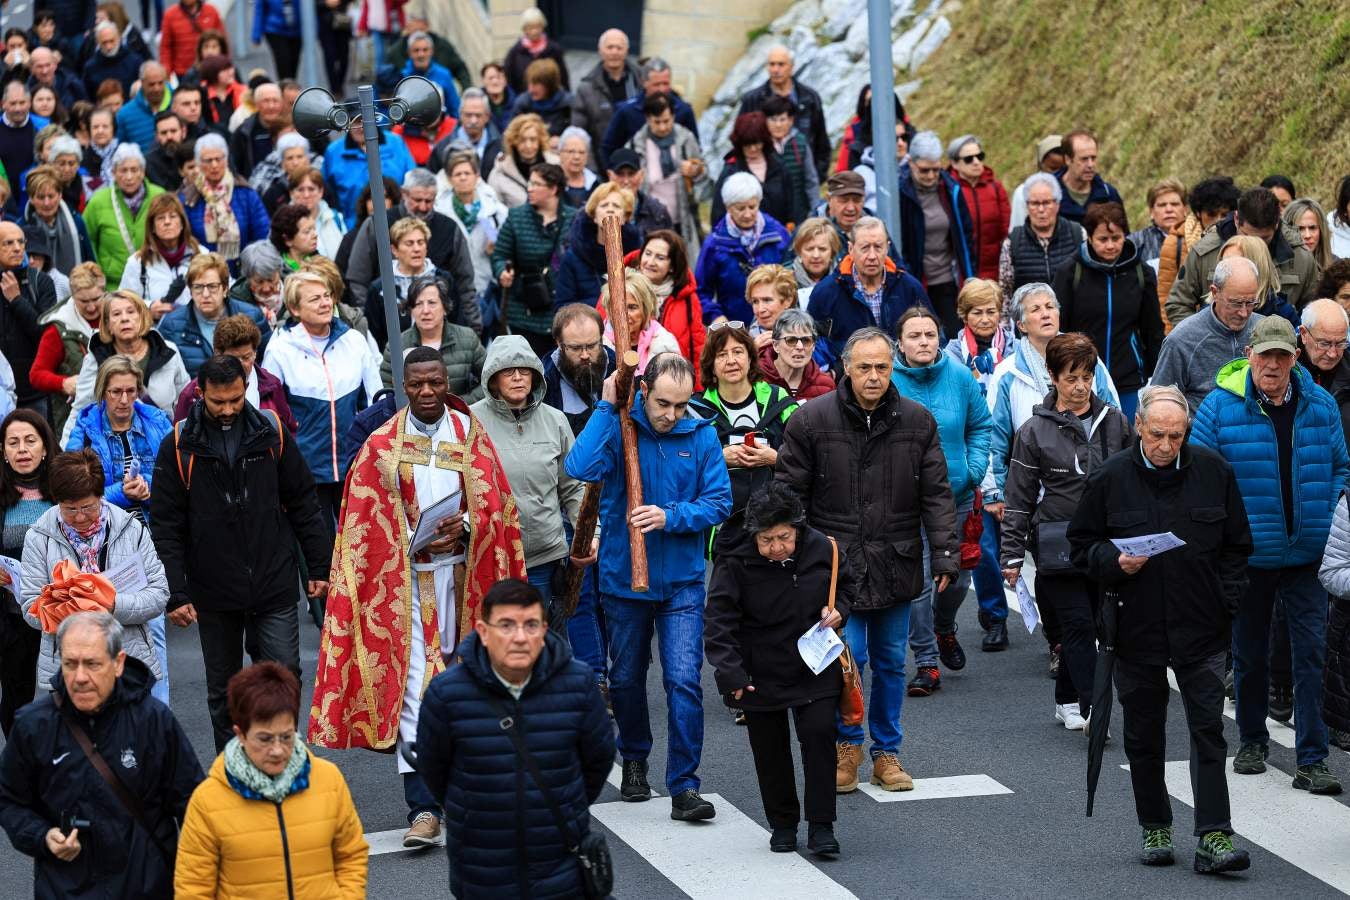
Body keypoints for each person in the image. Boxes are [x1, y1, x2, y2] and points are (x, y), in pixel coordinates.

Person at [310, 346, 527, 847]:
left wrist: (467, 527)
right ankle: (423, 808)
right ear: (403, 385)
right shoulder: (383, 445)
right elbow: (362, 523)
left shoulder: (469, 435)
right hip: (406, 587)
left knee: (472, 688)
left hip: (465, 581)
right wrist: (413, 538)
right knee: (414, 694)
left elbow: (497, 505)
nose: (427, 392)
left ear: (446, 379)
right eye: (417, 384)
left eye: (435, 382)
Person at [1069, 384, 1254, 874]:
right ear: (1139, 427)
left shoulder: (1214, 471)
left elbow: (1238, 547)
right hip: (1137, 626)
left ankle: (1214, 835)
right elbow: (1080, 547)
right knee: (1144, 733)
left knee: (1208, 732)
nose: (1167, 446)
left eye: (1176, 436)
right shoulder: (1109, 479)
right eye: (1157, 435)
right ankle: (1155, 824)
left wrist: (1226, 602)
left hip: (1202, 627)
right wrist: (1113, 560)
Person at [776, 327, 958, 793]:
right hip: (836, 569)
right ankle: (847, 745)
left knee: (893, 662)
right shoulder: (811, 421)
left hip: (896, 560)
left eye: (882, 367)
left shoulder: (917, 421)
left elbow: (937, 494)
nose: (874, 376)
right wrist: (795, 560)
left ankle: (887, 753)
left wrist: (944, 555)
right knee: (847, 659)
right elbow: (789, 496)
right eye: (865, 367)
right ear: (846, 368)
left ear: (892, 367)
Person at [565, 352, 731, 818]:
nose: (671, 414)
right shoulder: (621, 426)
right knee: (625, 678)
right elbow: (579, 467)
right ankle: (634, 757)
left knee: (683, 681)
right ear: (642, 391)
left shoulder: (700, 433)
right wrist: (604, 405)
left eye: (680, 405)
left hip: (682, 582)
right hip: (623, 580)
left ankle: (684, 785)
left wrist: (669, 516)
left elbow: (719, 502)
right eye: (663, 403)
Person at [1190, 314, 1347, 793]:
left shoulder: (1320, 404)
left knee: (1312, 656)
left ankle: (1312, 758)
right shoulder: (1220, 408)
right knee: (1251, 654)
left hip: (1308, 557)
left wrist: (1328, 510)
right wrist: (1227, 536)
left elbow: (1341, 467)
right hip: (1250, 557)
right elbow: (1201, 479)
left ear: (1294, 356)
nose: (1273, 365)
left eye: (1282, 356)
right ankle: (1253, 740)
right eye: (1265, 356)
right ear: (1249, 356)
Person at [150, 353, 330, 751]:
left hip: (274, 581)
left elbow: (303, 501)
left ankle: (282, 758)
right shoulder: (178, 445)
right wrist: (176, 592)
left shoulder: (272, 431)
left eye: (236, 398)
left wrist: (318, 565)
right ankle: (230, 774)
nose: (229, 409)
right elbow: (166, 525)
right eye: (219, 402)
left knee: (285, 677)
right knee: (223, 692)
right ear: (200, 394)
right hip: (214, 590)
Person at [415, 578, 613, 895]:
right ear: (483, 631)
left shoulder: (577, 685)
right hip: (482, 868)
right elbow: (434, 769)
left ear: (545, 629)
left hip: (560, 864)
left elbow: (598, 760)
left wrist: (559, 809)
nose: (520, 638)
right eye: (506, 626)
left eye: (531, 625)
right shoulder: (447, 694)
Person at [0, 611, 204, 898]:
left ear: (118, 663)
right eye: (70, 664)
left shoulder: (153, 720)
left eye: (92, 664)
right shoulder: (34, 726)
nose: (80, 677)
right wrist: (41, 836)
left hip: (146, 887)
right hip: (64, 889)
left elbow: (193, 805)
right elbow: (10, 800)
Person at [705, 482, 851, 856]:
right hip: (758, 668)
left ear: (797, 528)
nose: (775, 547)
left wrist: (840, 612)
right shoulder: (734, 559)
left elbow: (847, 586)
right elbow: (719, 621)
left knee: (819, 738)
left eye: (783, 537)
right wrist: (732, 675)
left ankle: (822, 826)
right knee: (769, 751)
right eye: (766, 539)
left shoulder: (823, 547)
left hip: (814, 663)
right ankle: (783, 824)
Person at [999, 332, 1131, 728]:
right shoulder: (1033, 432)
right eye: (1071, 377)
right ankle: (1096, 707)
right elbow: (1019, 496)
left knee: (1096, 622)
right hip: (1056, 544)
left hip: (1105, 543)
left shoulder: (1115, 423)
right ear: (1052, 376)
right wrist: (1011, 555)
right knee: (1078, 625)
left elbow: (1131, 482)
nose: (1080, 387)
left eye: (1087, 377)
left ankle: (1067, 699)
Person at [982, 284, 1119, 651]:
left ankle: (1079, 647)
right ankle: (1061, 643)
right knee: (1052, 572)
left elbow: (1113, 419)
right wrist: (995, 490)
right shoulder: (1008, 372)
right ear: (1021, 323)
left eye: (1051, 306)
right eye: (1035, 308)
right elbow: (995, 434)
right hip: (1038, 491)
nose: (1045, 313)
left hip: (1091, 495)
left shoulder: (1092, 363)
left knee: (1090, 585)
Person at [174, 661, 368, 897]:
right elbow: (193, 888)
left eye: (286, 737)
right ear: (240, 734)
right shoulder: (208, 801)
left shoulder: (328, 780)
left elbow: (351, 855)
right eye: (264, 739)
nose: (277, 750)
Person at [891, 307, 992, 696]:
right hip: (906, 501)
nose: (923, 342)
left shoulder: (960, 375)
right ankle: (927, 661)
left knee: (958, 578)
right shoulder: (889, 379)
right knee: (917, 583)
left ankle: (944, 626)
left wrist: (974, 468)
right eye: (914, 336)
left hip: (957, 496)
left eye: (929, 335)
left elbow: (981, 425)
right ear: (900, 341)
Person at [21, 447, 170, 697]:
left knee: (129, 735)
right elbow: (29, 606)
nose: (80, 517)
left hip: (128, 661)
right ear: (57, 501)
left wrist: (111, 604)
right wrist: (75, 606)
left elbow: (158, 595)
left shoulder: (131, 529)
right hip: (67, 668)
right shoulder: (39, 537)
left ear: (101, 496)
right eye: (70, 509)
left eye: (88, 507)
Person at [471, 335, 590, 626]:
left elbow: (573, 485)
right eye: (508, 371)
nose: (517, 377)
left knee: (542, 642)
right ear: (493, 377)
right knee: (498, 639)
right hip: (491, 556)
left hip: (544, 556)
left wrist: (589, 534)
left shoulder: (555, 420)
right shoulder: (470, 421)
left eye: (525, 370)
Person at [261, 271, 381, 524]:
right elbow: (272, 412)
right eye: (315, 299)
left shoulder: (354, 340)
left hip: (354, 464)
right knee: (321, 551)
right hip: (307, 470)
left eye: (327, 296)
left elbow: (375, 399)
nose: (326, 303)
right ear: (294, 308)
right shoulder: (280, 348)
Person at [691, 322, 797, 551]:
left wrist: (774, 458)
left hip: (774, 532)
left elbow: (807, 457)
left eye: (738, 352)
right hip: (718, 537)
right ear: (710, 364)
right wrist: (719, 458)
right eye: (721, 355)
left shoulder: (780, 401)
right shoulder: (694, 410)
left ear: (750, 358)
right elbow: (678, 466)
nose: (731, 361)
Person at [1054, 201, 1163, 419]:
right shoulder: (1069, 272)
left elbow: (1153, 329)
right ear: (1090, 239)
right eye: (1103, 239)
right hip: (1080, 378)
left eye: (1117, 238)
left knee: (1126, 440)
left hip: (1129, 379)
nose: (1111, 245)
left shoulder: (1142, 273)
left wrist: (1155, 375)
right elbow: (1059, 327)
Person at [346, 168, 479, 337]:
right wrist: (369, 322)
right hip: (386, 330)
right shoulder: (378, 223)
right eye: (417, 200)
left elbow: (465, 283)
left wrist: (474, 328)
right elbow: (358, 278)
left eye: (429, 201)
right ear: (404, 194)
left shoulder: (449, 228)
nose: (423, 207)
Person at [1167, 187, 1321, 326]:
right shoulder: (1205, 252)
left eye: (1263, 238)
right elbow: (1178, 304)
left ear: (1276, 224)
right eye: (1247, 235)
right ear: (1236, 220)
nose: (1254, 243)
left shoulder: (1301, 257)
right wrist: (1200, 339)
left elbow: (1314, 313)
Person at [806, 216, 931, 368]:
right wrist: (836, 371)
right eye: (865, 248)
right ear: (851, 249)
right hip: (847, 381)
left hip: (906, 377)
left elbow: (934, 337)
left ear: (887, 248)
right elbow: (811, 343)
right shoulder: (826, 292)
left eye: (878, 247)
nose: (872, 256)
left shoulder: (909, 287)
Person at [64, 353, 171, 528]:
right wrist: (122, 493)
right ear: (102, 392)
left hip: (158, 532)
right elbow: (74, 494)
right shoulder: (85, 430)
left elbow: (178, 483)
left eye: (130, 391)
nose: (124, 400)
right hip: (104, 533)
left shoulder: (159, 423)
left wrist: (147, 488)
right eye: (115, 392)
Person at [64, 290, 189, 441]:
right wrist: (65, 453)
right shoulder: (96, 358)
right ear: (107, 324)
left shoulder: (168, 351)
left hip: (162, 443)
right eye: (116, 314)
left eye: (131, 312)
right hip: (112, 446)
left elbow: (186, 402)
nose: (124, 319)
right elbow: (80, 409)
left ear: (142, 317)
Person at [0, 410, 56, 735]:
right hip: (10, 614)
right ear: (4, 452)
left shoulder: (61, 490)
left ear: (45, 447)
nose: (22, 449)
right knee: (16, 697)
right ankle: (20, 763)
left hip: (56, 608)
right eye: (13, 442)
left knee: (62, 693)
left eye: (30, 441)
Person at [1151, 257, 1265, 413]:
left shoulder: (1264, 332)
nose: (1244, 312)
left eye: (1251, 302)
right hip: (1199, 434)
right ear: (1215, 292)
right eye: (1236, 303)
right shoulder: (1182, 340)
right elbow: (1157, 403)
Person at [491, 162, 575, 356]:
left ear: (553, 189)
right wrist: (502, 271)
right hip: (524, 308)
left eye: (537, 184)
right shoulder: (516, 217)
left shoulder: (573, 219)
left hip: (561, 307)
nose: (530, 188)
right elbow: (500, 255)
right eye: (530, 182)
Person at [897, 131, 974, 336]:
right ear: (911, 163)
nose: (931, 176)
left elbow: (966, 235)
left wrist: (969, 276)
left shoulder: (950, 190)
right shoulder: (901, 194)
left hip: (948, 280)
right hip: (916, 280)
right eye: (924, 170)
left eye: (935, 169)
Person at [172, 313, 296, 431]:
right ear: (217, 354)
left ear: (255, 353)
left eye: (246, 357)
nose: (240, 365)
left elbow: (287, 430)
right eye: (233, 359)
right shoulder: (192, 394)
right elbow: (180, 439)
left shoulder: (271, 385)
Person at [157, 251, 270, 379]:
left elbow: (266, 367)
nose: (205, 294)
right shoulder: (171, 325)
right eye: (198, 287)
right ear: (190, 290)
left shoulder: (252, 316)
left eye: (212, 286)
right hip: (194, 396)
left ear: (225, 288)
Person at [697, 173, 790, 327]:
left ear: (759, 203)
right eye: (740, 208)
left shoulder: (778, 234)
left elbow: (791, 280)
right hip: (734, 327)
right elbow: (700, 292)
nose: (747, 214)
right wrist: (716, 317)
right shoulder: (715, 243)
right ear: (728, 207)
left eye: (752, 207)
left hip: (777, 325)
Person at [626, 91, 707, 255]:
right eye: (657, 122)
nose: (663, 127)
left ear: (673, 117)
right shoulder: (636, 144)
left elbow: (704, 172)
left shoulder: (686, 138)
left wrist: (695, 171)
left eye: (666, 121)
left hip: (682, 219)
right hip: (650, 221)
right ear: (648, 119)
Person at [381, 274, 485, 399]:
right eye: (418, 304)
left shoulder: (467, 338)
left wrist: (461, 405)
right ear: (411, 310)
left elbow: (489, 380)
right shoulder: (397, 344)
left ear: (445, 307)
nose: (425, 310)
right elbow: (386, 388)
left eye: (432, 303)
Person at [737, 45, 830, 183]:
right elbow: (740, 139)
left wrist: (817, 175)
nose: (775, 70)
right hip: (764, 179)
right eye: (771, 64)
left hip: (802, 178)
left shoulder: (809, 98)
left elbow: (821, 140)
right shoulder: (752, 100)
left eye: (781, 64)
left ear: (791, 67)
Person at [1157, 177, 1240, 329]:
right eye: (1211, 215)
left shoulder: (1239, 243)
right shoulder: (1177, 242)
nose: (1218, 221)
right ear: (1198, 214)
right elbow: (1167, 299)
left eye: (1224, 215)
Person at [180, 133, 271, 271]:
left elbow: (262, 235)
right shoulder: (188, 199)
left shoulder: (246, 194)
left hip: (244, 272)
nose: (214, 165)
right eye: (208, 160)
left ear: (226, 160)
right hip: (203, 272)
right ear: (198, 163)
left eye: (219, 159)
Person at [618, 229, 705, 367]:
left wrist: (698, 387)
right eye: (648, 254)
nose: (650, 262)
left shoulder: (687, 298)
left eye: (660, 258)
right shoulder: (618, 288)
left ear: (672, 266)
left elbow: (697, 348)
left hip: (674, 376)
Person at [82, 142, 163, 284]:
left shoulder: (159, 197)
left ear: (143, 172)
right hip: (113, 286)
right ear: (113, 173)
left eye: (134, 170)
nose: (129, 176)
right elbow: (88, 241)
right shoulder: (98, 201)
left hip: (154, 281)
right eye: (123, 170)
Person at [0, 221, 59, 415]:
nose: (17, 248)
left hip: (35, 391)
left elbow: (46, 335)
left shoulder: (41, 282)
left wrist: (16, 300)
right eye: (8, 243)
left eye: (20, 242)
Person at [998, 172, 1085, 301]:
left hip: (1072, 318)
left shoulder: (1078, 234)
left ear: (1057, 204)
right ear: (1027, 205)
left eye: (1046, 203)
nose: (1041, 209)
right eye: (1034, 203)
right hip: (1029, 318)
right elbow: (1005, 292)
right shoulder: (1012, 243)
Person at [434, 150, 507, 303]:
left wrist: (497, 248)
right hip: (454, 289)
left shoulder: (495, 210)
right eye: (457, 174)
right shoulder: (440, 211)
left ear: (477, 176)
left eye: (467, 173)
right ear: (449, 179)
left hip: (489, 286)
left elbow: (508, 247)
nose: (463, 178)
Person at [554, 182, 640, 308]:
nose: (610, 209)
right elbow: (562, 307)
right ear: (594, 216)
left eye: (616, 206)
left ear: (625, 217)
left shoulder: (636, 257)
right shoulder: (573, 257)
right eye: (604, 205)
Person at [600, 57, 698, 165]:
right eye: (656, 84)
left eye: (665, 84)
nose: (661, 89)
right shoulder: (626, 111)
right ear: (644, 83)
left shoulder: (684, 110)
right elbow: (609, 148)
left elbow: (695, 148)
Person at [323, 116, 415, 229]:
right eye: (356, 122)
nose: (362, 127)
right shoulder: (334, 152)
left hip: (398, 225)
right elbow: (327, 193)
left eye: (365, 120)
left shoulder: (396, 143)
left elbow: (412, 184)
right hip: (352, 227)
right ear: (347, 123)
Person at [117, 192, 198, 318]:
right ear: (152, 227)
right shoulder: (137, 262)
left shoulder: (201, 256)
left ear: (182, 223)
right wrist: (149, 308)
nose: (167, 222)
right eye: (160, 218)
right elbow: (122, 302)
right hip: (155, 332)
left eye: (172, 216)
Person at [711, 112, 794, 229]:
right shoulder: (730, 171)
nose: (753, 149)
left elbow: (792, 206)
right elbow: (718, 215)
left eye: (757, 143)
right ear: (740, 143)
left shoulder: (779, 165)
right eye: (747, 145)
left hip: (778, 237)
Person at [543, 303, 616, 436]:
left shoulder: (618, 368)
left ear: (601, 338)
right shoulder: (545, 381)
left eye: (592, 346)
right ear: (559, 343)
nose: (585, 355)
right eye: (575, 348)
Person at [572, 28, 641, 166]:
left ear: (626, 51)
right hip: (601, 162)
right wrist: (591, 169)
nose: (614, 52)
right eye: (609, 47)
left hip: (637, 159)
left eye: (619, 48)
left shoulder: (640, 81)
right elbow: (579, 132)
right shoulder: (586, 88)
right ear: (600, 50)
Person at [947, 134, 1009, 281]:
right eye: (969, 159)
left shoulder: (996, 187)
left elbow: (1006, 229)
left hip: (994, 273)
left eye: (979, 156)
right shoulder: (948, 190)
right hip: (959, 275)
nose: (976, 162)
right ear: (954, 164)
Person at [600, 269, 681, 375]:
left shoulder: (664, 343)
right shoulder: (597, 342)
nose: (624, 314)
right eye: (617, 307)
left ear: (645, 309)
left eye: (632, 307)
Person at [20, 165, 93, 275]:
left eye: (51, 196)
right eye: (40, 197)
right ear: (31, 198)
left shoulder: (76, 221)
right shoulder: (20, 229)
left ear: (60, 195)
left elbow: (89, 260)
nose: (47, 203)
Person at [760, 94, 818, 229]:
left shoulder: (801, 143)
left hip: (800, 213)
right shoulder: (760, 145)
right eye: (773, 120)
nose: (778, 125)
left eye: (782, 119)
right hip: (769, 215)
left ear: (791, 120)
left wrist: (815, 211)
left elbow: (811, 181)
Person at [758, 308, 834, 400]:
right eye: (791, 340)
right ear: (776, 345)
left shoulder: (826, 386)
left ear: (813, 346)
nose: (800, 346)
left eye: (806, 340)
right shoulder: (755, 378)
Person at [605, 146, 675, 241]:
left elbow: (669, 249)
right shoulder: (597, 211)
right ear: (609, 175)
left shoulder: (657, 212)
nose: (626, 181)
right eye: (620, 174)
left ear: (641, 175)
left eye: (631, 174)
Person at [1054, 129, 1123, 224]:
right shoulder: (1049, 196)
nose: (1090, 165)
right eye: (1084, 159)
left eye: (1093, 158)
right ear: (1068, 160)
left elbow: (1122, 235)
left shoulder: (1108, 194)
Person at [502, 7, 570, 95]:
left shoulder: (554, 50)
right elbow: (509, 80)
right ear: (524, 29)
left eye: (537, 27)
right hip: (525, 102)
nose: (534, 31)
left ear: (542, 26)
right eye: (530, 28)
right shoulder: (514, 53)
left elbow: (563, 78)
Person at [287, 166, 346, 260]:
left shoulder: (335, 218)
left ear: (321, 192)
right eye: (300, 190)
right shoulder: (283, 222)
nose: (306, 195)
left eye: (311, 189)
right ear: (291, 193)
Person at [400, 29, 460, 119]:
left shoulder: (444, 75)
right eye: (416, 50)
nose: (421, 54)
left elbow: (455, 108)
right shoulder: (403, 77)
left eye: (425, 50)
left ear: (431, 51)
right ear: (409, 53)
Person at [1127, 178, 1188, 265]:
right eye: (1162, 205)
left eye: (1174, 204)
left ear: (1185, 209)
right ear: (1151, 211)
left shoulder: (1199, 238)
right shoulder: (1135, 243)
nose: (1169, 209)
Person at [510, 58, 575, 139]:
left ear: (549, 84)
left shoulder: (569, 105)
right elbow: (511, 135)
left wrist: (562, 140)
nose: (530, 90)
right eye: (529, 84)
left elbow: (577, 134)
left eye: (535, 84)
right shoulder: (522, 105)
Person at [160, 0, 224, 78]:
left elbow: (222, 42)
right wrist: (166, 73)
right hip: (182, 73)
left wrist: (224, 66)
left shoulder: (211, 11)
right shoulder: (170, 15)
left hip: (210, 70)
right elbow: (165, 48)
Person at [114, 60, 168, 152]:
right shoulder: (124, 114)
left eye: (160, 83)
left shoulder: (178, 104)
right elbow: (120, 151)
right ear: (142, 83)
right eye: (151, 84)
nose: (156, 88)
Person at [745, 262, 799, 347]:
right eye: (755, 301)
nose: (760, 309)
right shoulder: (743, 342)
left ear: (788, 301)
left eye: (767, 300)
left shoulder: (809, 339)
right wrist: (752, 354)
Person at [790, 217, 841, 305]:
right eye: (809, 249)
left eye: (822, 249)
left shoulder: (845, 279)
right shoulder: (785, 280)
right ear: (799, 251)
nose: (816, 255)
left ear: (832, 252)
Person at [1284, 197, 1334, 271]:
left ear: (1322, 230)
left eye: (1312, 228)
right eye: (1300, 229)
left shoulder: (1336, 265)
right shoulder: (1276, 266)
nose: (1307, 235)